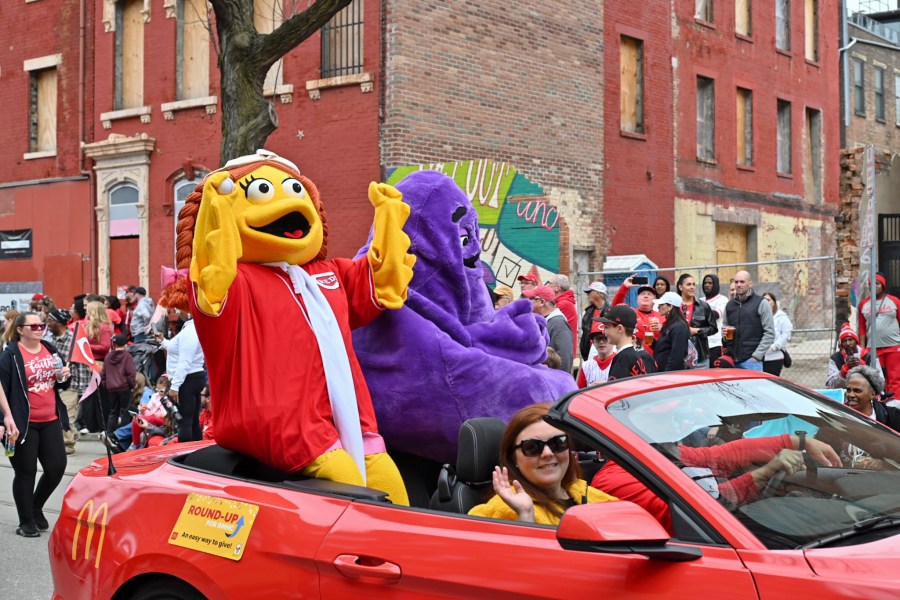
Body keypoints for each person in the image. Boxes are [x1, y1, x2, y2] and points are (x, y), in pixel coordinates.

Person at [594, 431, 841, 534]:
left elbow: (717, 457)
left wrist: (797, 441)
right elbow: (699, 510)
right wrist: (765, 473)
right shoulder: (614, 480)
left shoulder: (651, 452)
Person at [468, 403, 617, 525]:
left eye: (558, 443)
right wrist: (525, 517)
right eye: (532, 447)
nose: (547, 453)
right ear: (514, 459)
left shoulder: (585, 493)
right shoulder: (505, 507)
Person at [0, 312, 71, 537]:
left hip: (50, 419)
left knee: (56, 468)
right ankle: (26, 521)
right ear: (20, 330)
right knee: (26, 472)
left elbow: (60, 384)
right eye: (34, 326)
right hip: (22, 423)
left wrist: (64, 376)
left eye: (42, 325)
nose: (40, 329)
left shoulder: (49, 348)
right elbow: (2, 388)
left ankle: (35, 506)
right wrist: (4, 419)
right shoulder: (10, 354)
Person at [157, 312, 206, 442]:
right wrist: (163, 341)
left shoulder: (190, 330)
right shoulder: (191, 328)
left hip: (188, 379)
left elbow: (184, 361)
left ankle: (186, 452)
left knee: (186, 421)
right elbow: (177, 349)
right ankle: (194, 450)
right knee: (192, 420)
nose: (178, 312)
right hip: (192, 377)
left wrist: (175, 386)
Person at [722, 270, 774, 371]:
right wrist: (724, 337)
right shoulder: (729, 305)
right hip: (732, 361)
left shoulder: (761, 303)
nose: (738, 285)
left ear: (750, 284)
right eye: (736, 282)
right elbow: (725, 330)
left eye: (742, 282)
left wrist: (756, 356)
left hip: (751, 362)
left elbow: (770, 333)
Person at [858, 273, 900, 396]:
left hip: (894, 346)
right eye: (871, 284)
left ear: (883, 285)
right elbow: (862, 327)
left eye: (877, 283)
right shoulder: (863, 304)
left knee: (895, 377)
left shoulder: (894, 301)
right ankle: (881, 402)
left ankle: (895, 402)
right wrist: (862, 348)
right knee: (877, 378)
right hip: (873, 348)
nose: (874, 286)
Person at [44, 309, 80, 455]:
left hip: (70, 385)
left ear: (59, 323)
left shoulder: (74, 341)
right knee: (57, 415)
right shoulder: (47, 340)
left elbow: (82, 367)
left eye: (50, 320)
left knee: (67, 415)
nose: (47, 324)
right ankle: (73, 433)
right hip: (52, 385)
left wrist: (81, 389)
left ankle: (67, 445)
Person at [524, 285, 574, 374]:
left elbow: (565, 357)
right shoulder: (544, 321)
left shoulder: (558, 323)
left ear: (542, 302)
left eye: (531, 299)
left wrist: (558, 380)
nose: (528, 302)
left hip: (551, 379)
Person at [598, 305, 656, 381]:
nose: (603, 331)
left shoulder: (624, 357)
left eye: (606, 327)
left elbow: (618, 388)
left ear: (619, 328)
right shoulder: (633, 355)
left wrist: (606, 386)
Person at [612, 274, 663, 355]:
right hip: (632, 357)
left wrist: (662, 329)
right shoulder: (630, 312)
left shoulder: (662, 316)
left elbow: (672, 336)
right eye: (642, 294)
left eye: (649, 294)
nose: (646, 296)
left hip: (655, 358)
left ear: (655, 299)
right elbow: (616, 308)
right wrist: (624, 287)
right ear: (637, 298)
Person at [676, 274, 717, 369]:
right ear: (680, 287)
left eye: (694, 284)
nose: (692, 287)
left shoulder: (703, 306)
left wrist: (697, 330)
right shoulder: (674, 306)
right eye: (689, 284)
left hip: (700, 356)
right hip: (678, 355)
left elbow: (713, 328)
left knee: (702, 379)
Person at [844, 365, 900, 431]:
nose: (851, 395)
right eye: (848, 390)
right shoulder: (839, 414)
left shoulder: (893, 417)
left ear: (872, 394)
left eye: (857, 391)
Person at [102, 334, 136, 438]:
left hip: (111, 388)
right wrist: (132, 385)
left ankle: (109, 434)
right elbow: (130, 373)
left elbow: (104, 374)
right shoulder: (127, 356)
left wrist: (106, 385)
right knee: (125, 411)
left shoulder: (108, 357)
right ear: (125, 345)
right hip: (124, 387)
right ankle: (122, 435)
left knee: (113, 411)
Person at [827, 323, 874, 389]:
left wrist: (862, 366)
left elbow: (880, 381)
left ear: (856, 341)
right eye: (844, 341)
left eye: (850, 340)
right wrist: (844, 371)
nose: (848, 343)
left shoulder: (869, 356)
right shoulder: (835, 359)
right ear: (841, 345)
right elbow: (832, 384)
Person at [653, 291, 690, 372]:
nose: (658, 307)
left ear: (670, 307)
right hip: (661, 372)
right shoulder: (670, 324)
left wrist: (667, 375)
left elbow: (676, 356)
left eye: (661, 304)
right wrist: (652, 342)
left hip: (669, 375)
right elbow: (664, 348)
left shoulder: (679, 327)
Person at [762, 292, 793, 377]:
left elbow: (786, 334)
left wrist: (774, 347)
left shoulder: (780, 316)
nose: (766, 302)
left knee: (772, 380)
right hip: (761, 357)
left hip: (775, 356)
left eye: (768, 300)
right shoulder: (760, 316)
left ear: (774, 302)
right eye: (764, 300)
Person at [576, 321, 616, 387]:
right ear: (593, 341)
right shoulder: (586, 366)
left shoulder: (622, 362)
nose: (601, 342)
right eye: (598, 338)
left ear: (613, 339)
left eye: (605, 338)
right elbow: (580, 391)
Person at [546, 274, 578, 355]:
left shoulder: (563, 304)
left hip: (561, 351)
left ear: (557, 288)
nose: (547, 286)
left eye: (550, 283)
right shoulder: (562, 302)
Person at [701, 274, 729, 363]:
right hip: (702, 344)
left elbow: (715, 315)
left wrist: (699, 315)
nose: (707, 285)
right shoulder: (700, 300)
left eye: (710, 283)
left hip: (716, 344)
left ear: (715, 285)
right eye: (705, 283)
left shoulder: (723, 299)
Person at [579, 282, 610, 361]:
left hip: (605, 354)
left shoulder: (609, 312)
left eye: (590, 292)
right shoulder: (588, 312)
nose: (588, 295)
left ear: (598, 293)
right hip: (589, 355)